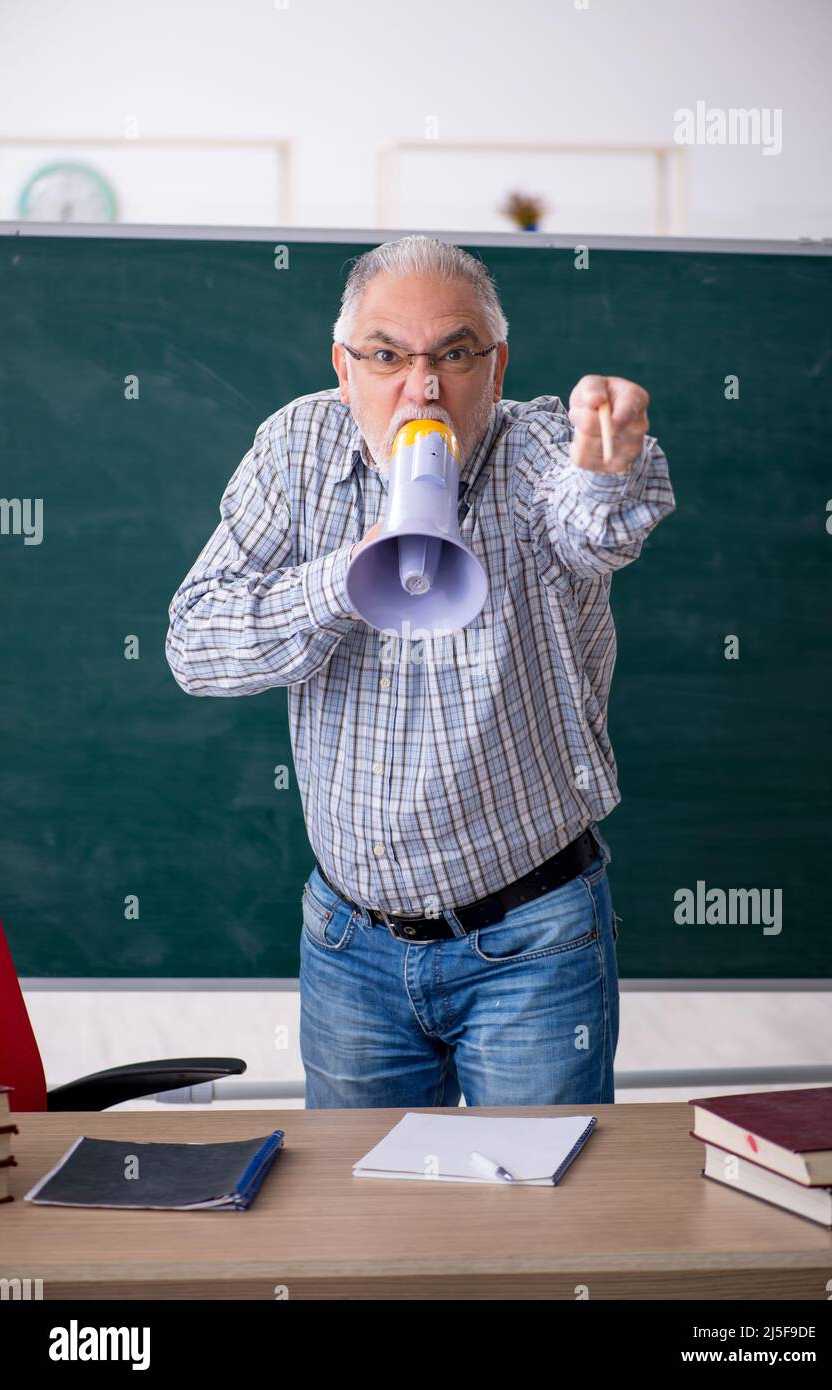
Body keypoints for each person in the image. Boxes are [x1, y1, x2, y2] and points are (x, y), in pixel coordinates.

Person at [166, 234, 676, 1107]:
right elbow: (196, 645)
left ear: (497, 365)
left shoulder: (541, 448)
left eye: (454, 353)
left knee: (539, 1220)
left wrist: (606, 467)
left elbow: (594, 530)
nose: (422, 385)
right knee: (363, 1231)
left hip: (533, 940)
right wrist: (348, 574)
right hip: (347, 947)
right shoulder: (296, 449)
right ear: (343, 365)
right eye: (387, 355)